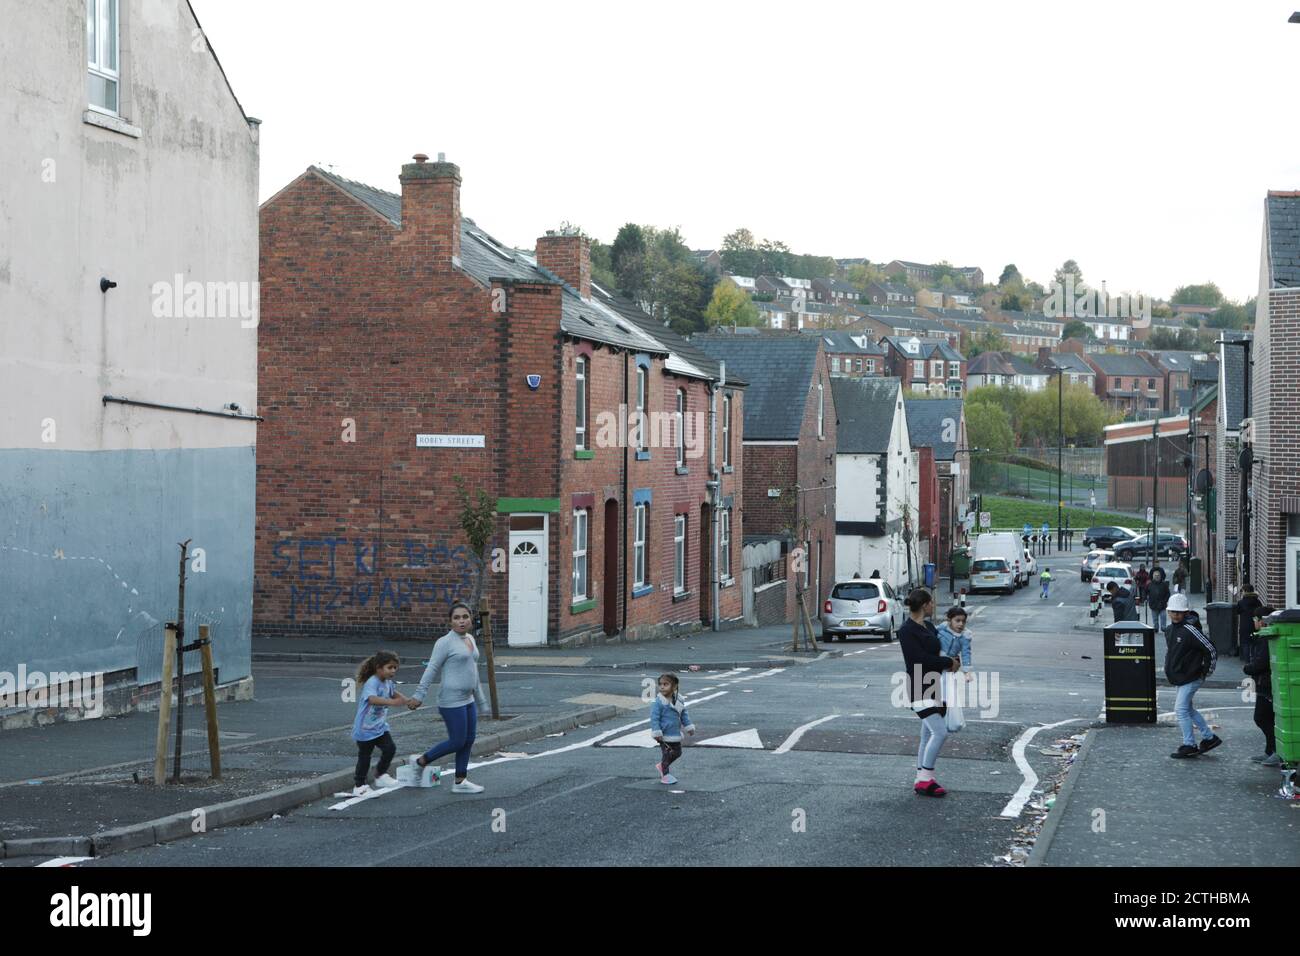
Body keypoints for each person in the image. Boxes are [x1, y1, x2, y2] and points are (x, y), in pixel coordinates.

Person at [407, 602, 489, 794]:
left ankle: (460, 782)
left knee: (468, 740)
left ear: (471, 619)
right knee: (457, 741)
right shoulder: (444, 642)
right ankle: (420, 763)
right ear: (450, 622)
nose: (461, 621)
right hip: (451, 700)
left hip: (468, 700)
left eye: (465, 617)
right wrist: (419, 695)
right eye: (456, 618)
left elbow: (473, 671)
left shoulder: (470, 639)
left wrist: (481, 700)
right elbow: (432, 668)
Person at [898, 588, 960, 797]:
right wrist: (947, 662)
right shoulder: (906, 630)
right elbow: (918, 659)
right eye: (931, 603)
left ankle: (921, 779)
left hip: (936, 684)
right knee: (940, 732)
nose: (933, 606)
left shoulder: (930, 626)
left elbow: (941, 649)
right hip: (918, 685)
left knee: (927, 734)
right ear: (924, 605)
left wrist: (954, 659)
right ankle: (926, 778)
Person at [1164, 593, 1221, 758]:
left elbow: (1210, 649)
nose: (1176, 615)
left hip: (1191, 676)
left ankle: (1189, 744)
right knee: (1187, 709)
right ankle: (1209, 737)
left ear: (1185, 612)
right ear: (1168, 612)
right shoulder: (1170, 630)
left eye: (1179, 612)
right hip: (1182, 676)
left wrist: (1207, 671)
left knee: (1181, 709)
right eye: (1173, 612)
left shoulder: (1190, 630)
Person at [352, 650, 407, 796]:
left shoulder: (387, 682)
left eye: (395, 667)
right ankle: (359, 785)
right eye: (390, 667)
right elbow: (372, 699)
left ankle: (380, 774)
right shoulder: (372, 682)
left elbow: (394, 694)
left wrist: (407, 701)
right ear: (378, 668)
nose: (393, 671)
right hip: (365, 728)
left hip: (379, 727)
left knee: (390, 749)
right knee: (365, 757)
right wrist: (393, 702)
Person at [1244, 605, 1280, 767]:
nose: (1254, 622)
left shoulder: (1266, 640)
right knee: (1268, 718)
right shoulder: (1264, 637)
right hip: (1265, 683)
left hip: (1266, 684)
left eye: (1255, 619)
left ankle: (1276, 751)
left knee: (1261, 718)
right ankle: (1269, 750)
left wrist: (1248, 668)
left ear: (1262, 621)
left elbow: (1261, 663)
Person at [650, 673, 695, 785]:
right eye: (660, 684)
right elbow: (654, 718)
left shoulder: (678, 700)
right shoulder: (658, 702)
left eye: (666, 684)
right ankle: (665, 775)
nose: (662, 687)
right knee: (666, 754)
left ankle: (662, 765)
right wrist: (657, 732)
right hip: (664, 734)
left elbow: (683, 714)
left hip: (675, 733)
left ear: (674, 686)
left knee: (678, 752)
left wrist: (688, 726)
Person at [936, 606, 973, 676]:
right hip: (937, 660)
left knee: (947, 681)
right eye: (957, 621)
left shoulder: (964, 637)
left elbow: (966, 654)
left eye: (963, 621)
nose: (961, 624)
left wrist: (967, 671)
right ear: (949, 620)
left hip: (950, 664)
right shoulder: (941, 629)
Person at [1235, 582, 1262, 659]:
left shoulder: (1241, 602)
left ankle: (1247, 660)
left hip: (1245, 626)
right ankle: (1254, 659)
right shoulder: (1258, 602)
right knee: (1254, 642)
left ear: (1245, 591)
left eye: (1242, 591)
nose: (1242, 592)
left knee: (1245, 643)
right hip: (1255, 625)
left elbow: (1237, 612)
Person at [1147, 566, 1171, 632]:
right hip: (1153, 604)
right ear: (1153, 576)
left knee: (1163, 616)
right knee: (1155, 618)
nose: (1157, 577)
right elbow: (1146, 592)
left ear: (1160, 576)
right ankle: (1156, 627)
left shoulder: (1164, 584)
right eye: (1155, 575)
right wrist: (1146, 599)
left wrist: (1165, 601)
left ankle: (1163, 627)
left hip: (1162, 604)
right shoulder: (1150, 585)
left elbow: (1168, 593)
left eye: (1158, 575)